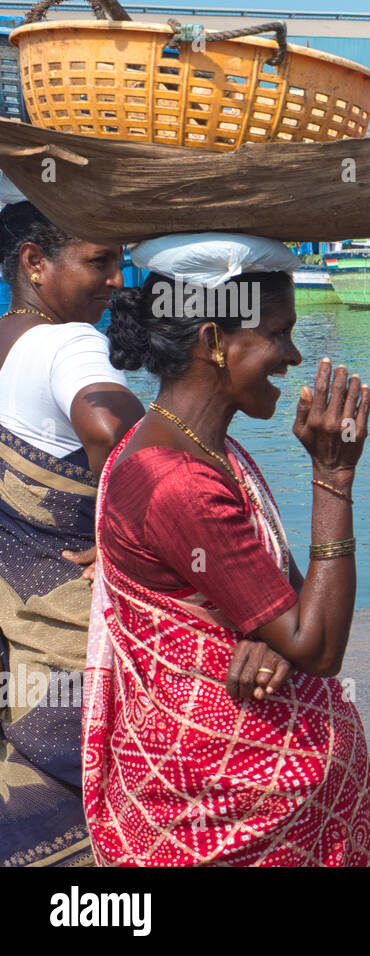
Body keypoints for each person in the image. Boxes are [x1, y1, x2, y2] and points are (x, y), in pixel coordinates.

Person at [84, 234, 370, 865]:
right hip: (216, 808)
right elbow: (319, 646)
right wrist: (334, 477)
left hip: (229, 791)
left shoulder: (197, 447)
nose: (293, 356)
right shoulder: (177, 480)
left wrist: (266, 631)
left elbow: (291, 611)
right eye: (278, 334)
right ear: (215, 341)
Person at [0, 201, 143, 867]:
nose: (118, 279)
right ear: (34, 262)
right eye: (100, 261)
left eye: (122, 260)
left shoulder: (4, 338)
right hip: (72, 628)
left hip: (18, 628)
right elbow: (115, 431)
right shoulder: (70, 342)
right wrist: (127, 531)